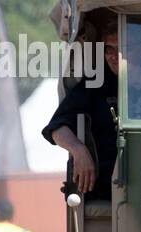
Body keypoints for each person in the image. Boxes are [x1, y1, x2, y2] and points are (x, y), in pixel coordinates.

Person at [43, 19, 121, 199]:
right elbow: (57, 128)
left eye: (120, 49)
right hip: (105, 192)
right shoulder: (95, 83)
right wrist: (79, 150)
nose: (113, 56)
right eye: (109, 49)